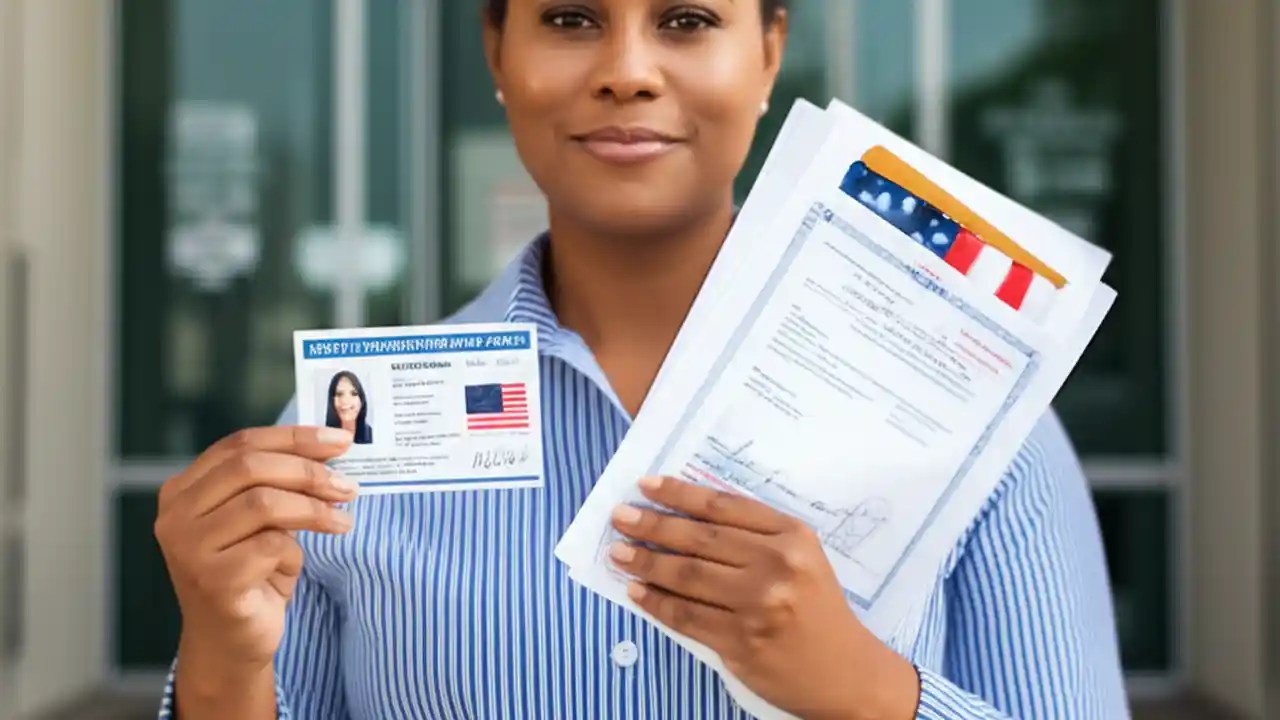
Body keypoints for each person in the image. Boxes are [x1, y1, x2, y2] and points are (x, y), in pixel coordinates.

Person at [153, 0, 1130, 717]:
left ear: (767, 53)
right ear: (497, 51)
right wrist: (221, 659)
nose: (625, 69)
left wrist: (863, 691)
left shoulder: (983, 428)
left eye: (686, 20)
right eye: (571, 19)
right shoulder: (334, 440)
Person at [324, 370, 373, 445]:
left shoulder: (372, 434)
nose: (345, 401)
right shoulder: (324, 438)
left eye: (353, 393)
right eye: (339, 394)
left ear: (361, 399)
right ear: (332, 400)